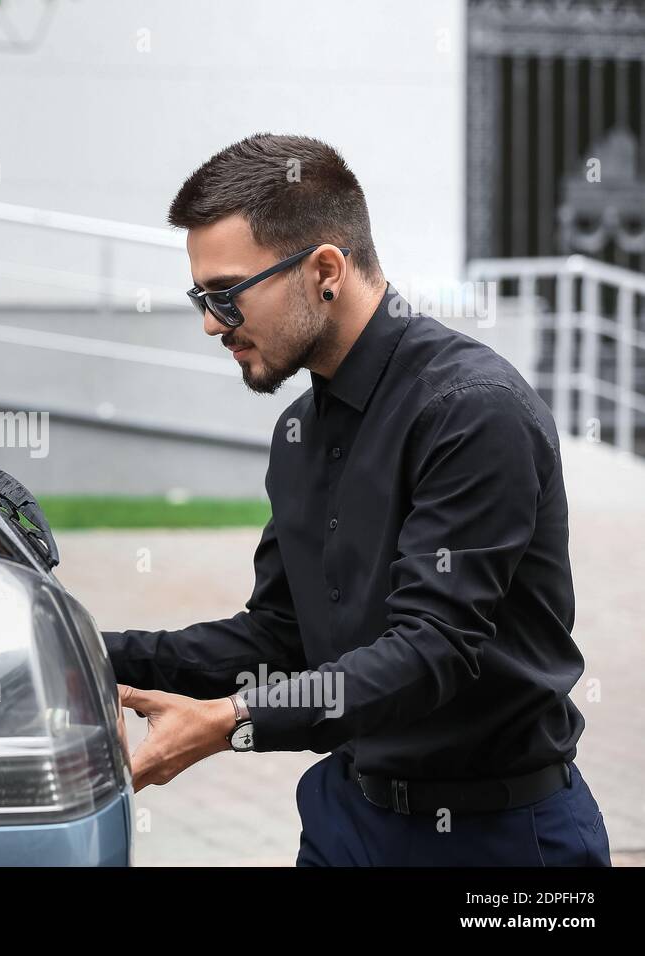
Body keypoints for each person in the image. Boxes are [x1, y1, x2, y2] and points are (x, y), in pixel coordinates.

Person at [103, 133, 611, 866]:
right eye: (199, 296)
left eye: (226, 294)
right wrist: (97, 655)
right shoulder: (300, 431)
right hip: (349, 821)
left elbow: (433, 648)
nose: (212, 323)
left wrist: (234, 720)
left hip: (500, 839)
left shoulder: (473, 410)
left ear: (326, 270)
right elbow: (279, 635)